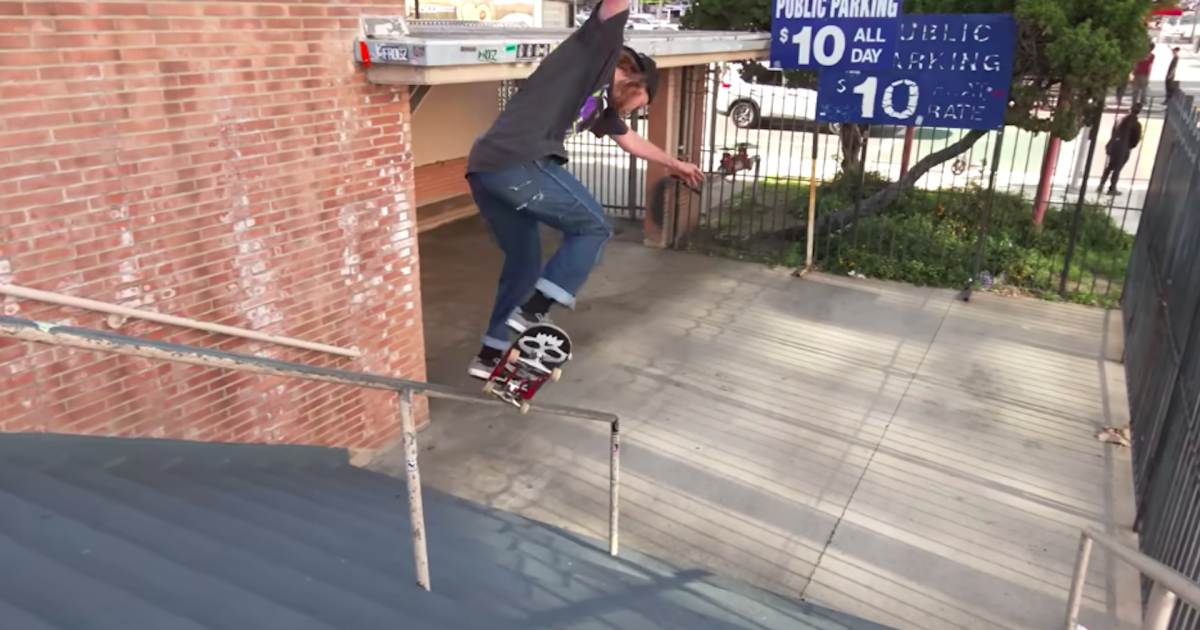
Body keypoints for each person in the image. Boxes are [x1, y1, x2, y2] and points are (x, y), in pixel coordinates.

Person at [462, 0, 705, 379]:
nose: (634, 111)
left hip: (486, 172)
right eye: (644, 102)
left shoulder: (602, 109)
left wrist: (675, 164)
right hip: (518, 161)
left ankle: (491, 353)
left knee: (524, 262)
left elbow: (630, 141)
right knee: (594, 227)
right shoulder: (599, 51)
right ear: (635, 79)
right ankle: (535, 310)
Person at [1099, 102, 1143, 196]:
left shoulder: (1119, 119)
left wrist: (1113, 141)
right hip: (1124, 147)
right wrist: (1129, 146)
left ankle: (1101, 185)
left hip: (1113, 145)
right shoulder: (1136, 124)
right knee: (1117, 168)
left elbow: (1113, 131)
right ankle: (1112, 188)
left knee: (1109, 166)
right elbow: (1136, 139)